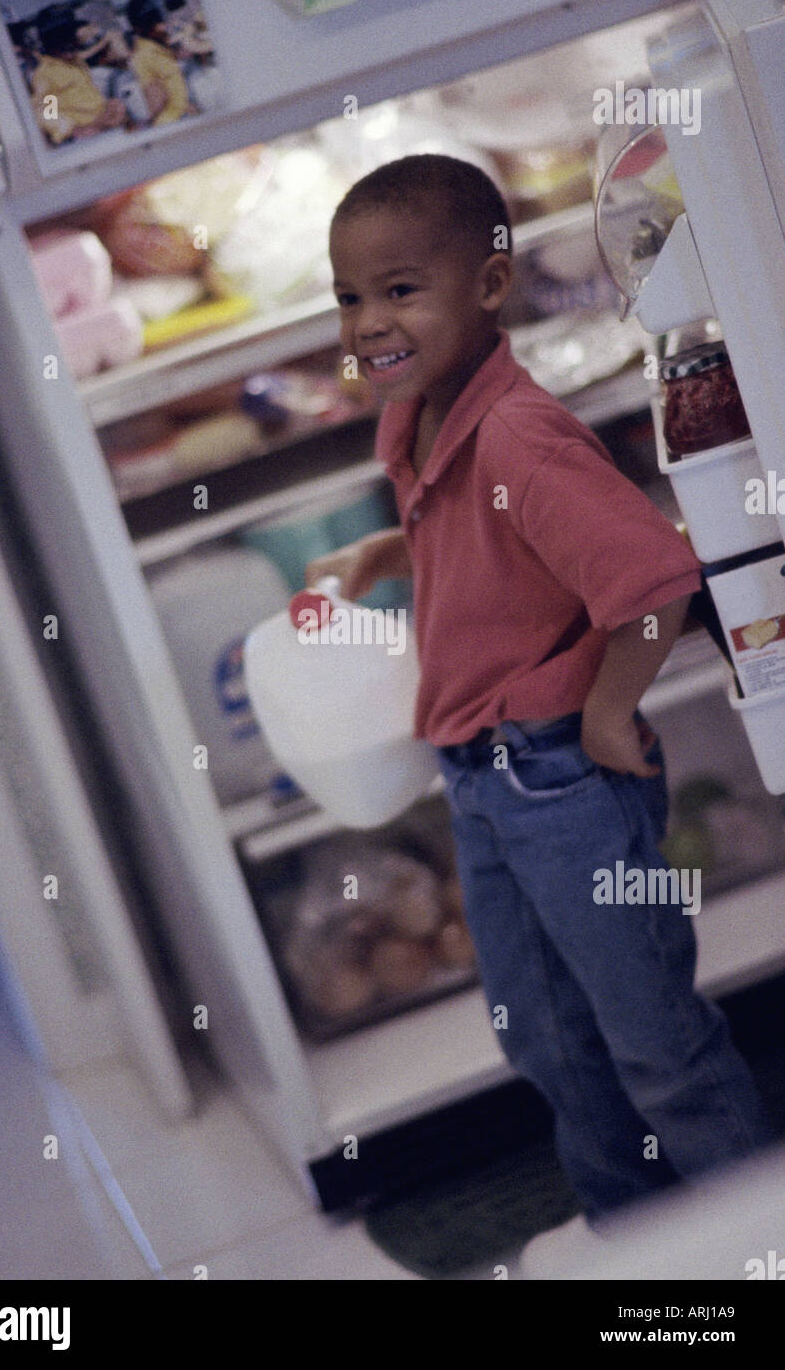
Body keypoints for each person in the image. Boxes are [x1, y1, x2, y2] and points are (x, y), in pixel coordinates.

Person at [308, 153, 773, 1257]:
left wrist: (610, 713)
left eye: (399, 288)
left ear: (488, 284)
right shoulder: (418, 416)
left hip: (560, 776)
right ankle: (641, 1242)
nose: (368, 320)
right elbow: (485, 550)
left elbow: (651, 582)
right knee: (550, 1044)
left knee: (656, 1043)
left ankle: (752, 1245)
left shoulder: (518, 434)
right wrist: (390, 546)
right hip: (480, 780)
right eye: (348, 295)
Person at [30, 4, 125, 145]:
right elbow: (47, 113)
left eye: (71, 35)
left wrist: (108, 107)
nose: (69, 41)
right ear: (49, 42)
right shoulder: (46, 74)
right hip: (85, 140)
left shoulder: (77, 62)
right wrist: (73, 130)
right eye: (61, 38)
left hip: (106, 127)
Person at [126, 0, 191, 127]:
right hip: (173, 121)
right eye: (159, 21)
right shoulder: (143, 56)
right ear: (144, 26)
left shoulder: (159, 46)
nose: (165, 25)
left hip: (185, 114)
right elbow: (156, 100)